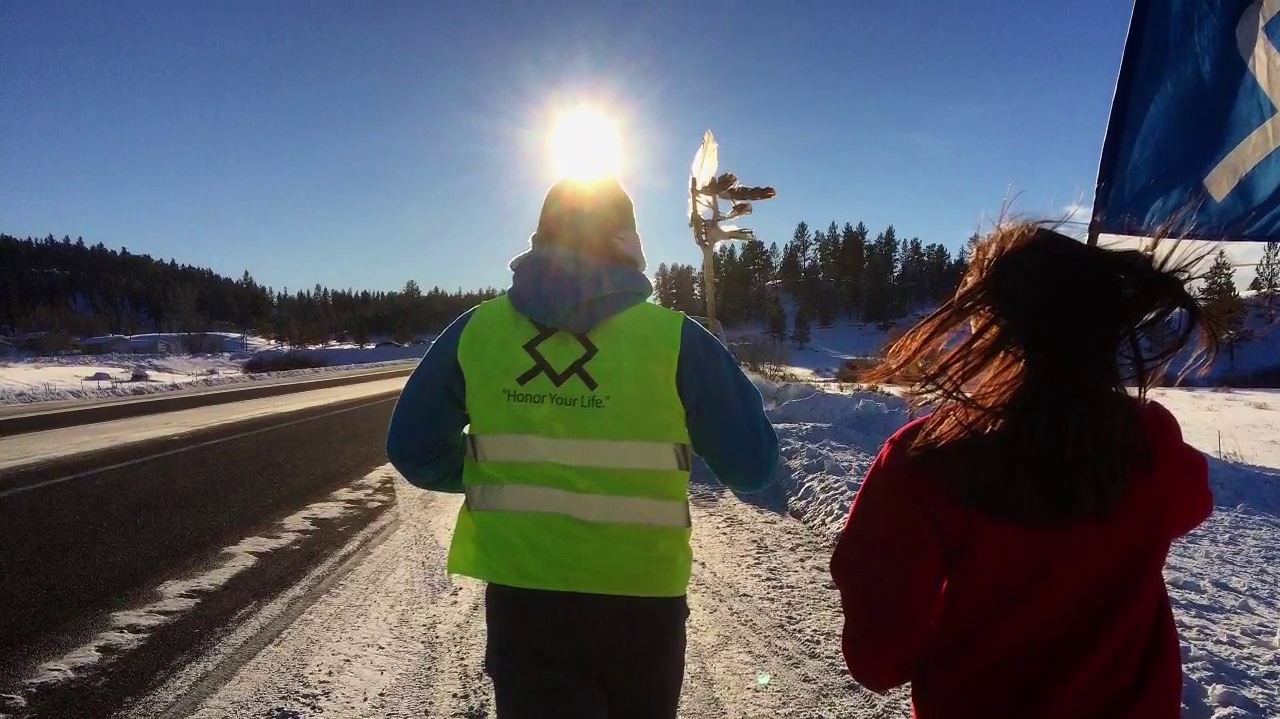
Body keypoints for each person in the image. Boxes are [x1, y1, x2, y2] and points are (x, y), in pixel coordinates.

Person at [386, 176, 778, 719]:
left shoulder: (477, 332)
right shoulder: (678, 341)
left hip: (525, 604)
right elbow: (755, 467)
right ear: (627, 244)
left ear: (542, 239)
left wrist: (495, 474)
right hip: (644, 608)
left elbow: (412, 448)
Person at [830, 224, 1217, 718]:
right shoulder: (1149, 441)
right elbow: (1193, 503)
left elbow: (878, 662)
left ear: (988, 324)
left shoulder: (923, 458)